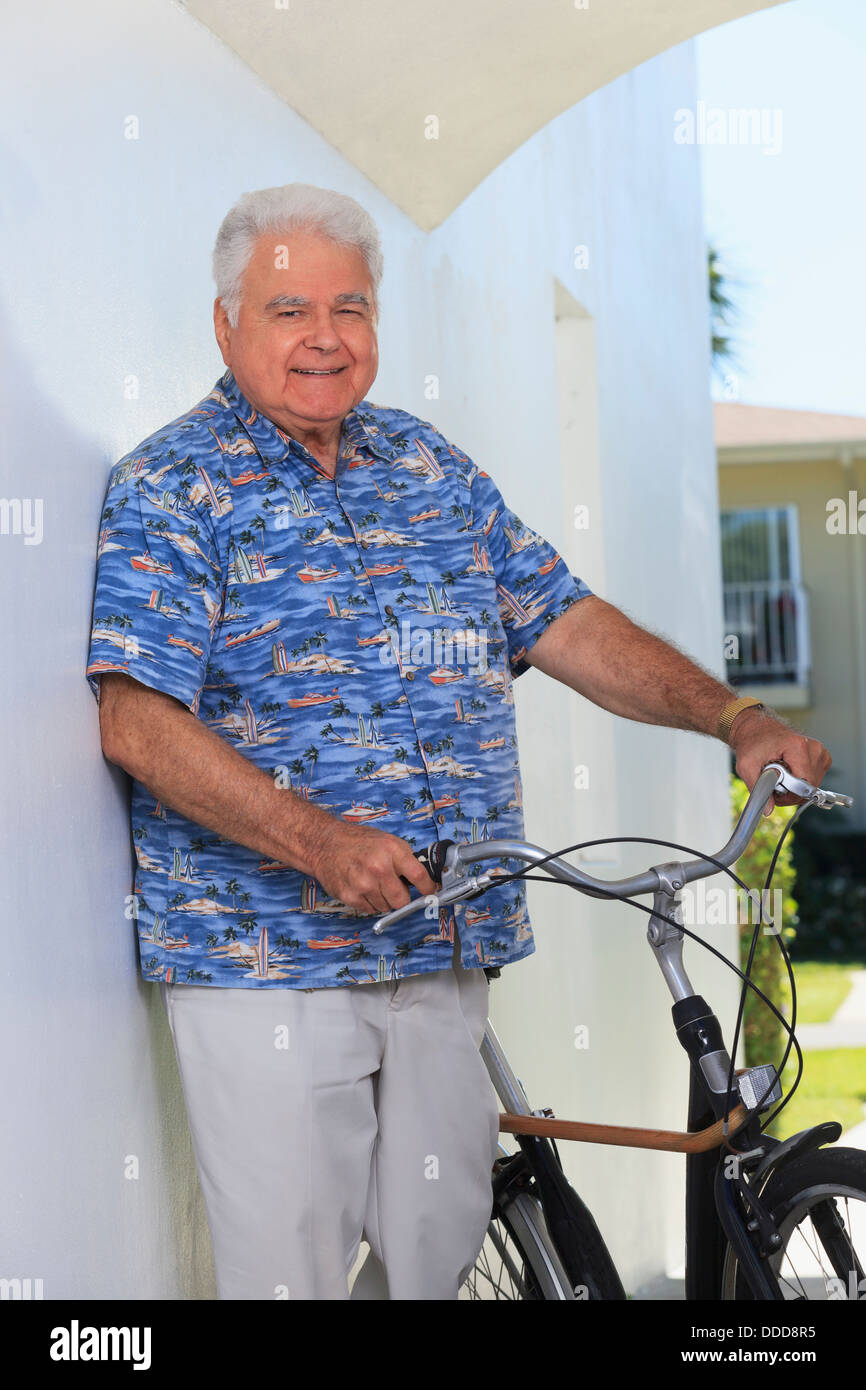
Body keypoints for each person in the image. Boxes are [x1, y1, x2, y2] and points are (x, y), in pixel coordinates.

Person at [86, 182, 830, 1300]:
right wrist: (316, 840)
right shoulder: (170, 483)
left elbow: (567, 621)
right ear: (225, 320)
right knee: (288, 1277)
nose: (325, 338)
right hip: (269, 967)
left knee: (431, 1263)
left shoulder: (428, 467)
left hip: (445, 945)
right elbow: (135, 718)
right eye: (288, 310)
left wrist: (732, 715)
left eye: (350, 306)